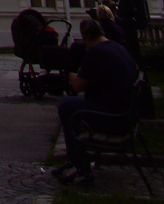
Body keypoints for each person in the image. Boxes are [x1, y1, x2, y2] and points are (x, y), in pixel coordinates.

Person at [56, 15, 136, 183]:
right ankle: (75, 159)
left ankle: (79, 163)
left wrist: (71, 76)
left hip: (114, 116)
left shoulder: (97, 53)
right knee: (72, 107)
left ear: (86, 38)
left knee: (66, 107)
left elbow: (78, 86)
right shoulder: (116, 47)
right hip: (125, 111)